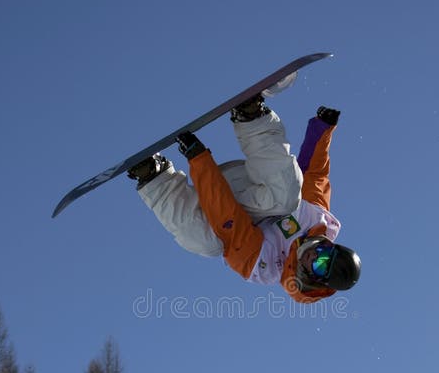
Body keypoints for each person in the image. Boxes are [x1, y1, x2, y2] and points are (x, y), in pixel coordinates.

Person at [127, 97, 361, 304]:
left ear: (313, 278)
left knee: (207, 243)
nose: (316, 256)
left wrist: (199, 160)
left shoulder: (264, 267)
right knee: (288, 199)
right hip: (252, 183)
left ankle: (155, 177)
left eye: (319, 266)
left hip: (217, 203)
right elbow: (313, 171)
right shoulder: (317, 217)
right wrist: (323, 127)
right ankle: (252, 119)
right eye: (326, 253)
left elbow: (229, 222)